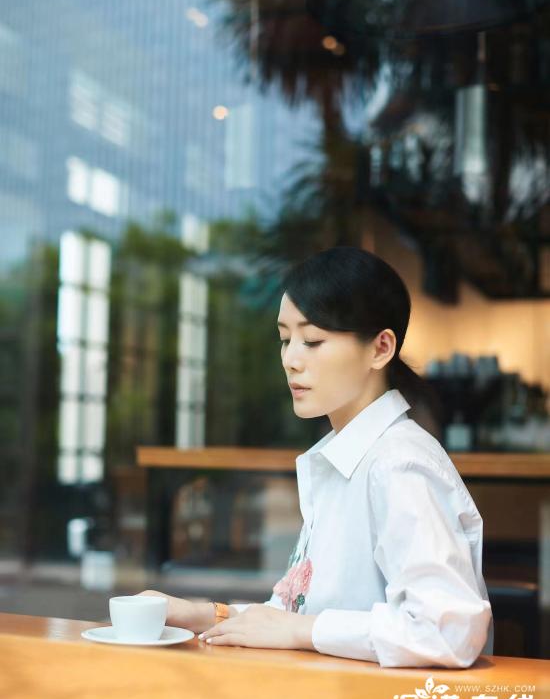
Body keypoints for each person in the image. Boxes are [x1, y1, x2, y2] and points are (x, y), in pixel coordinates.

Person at [140, 245, 494, 668]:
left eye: (312, 340)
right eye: (285, 339)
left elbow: (447, 630)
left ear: (380, 348)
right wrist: (202, 614)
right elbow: (295, 616)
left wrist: (301, 631)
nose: (291, 360)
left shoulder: (398, 464)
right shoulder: (344, 458)